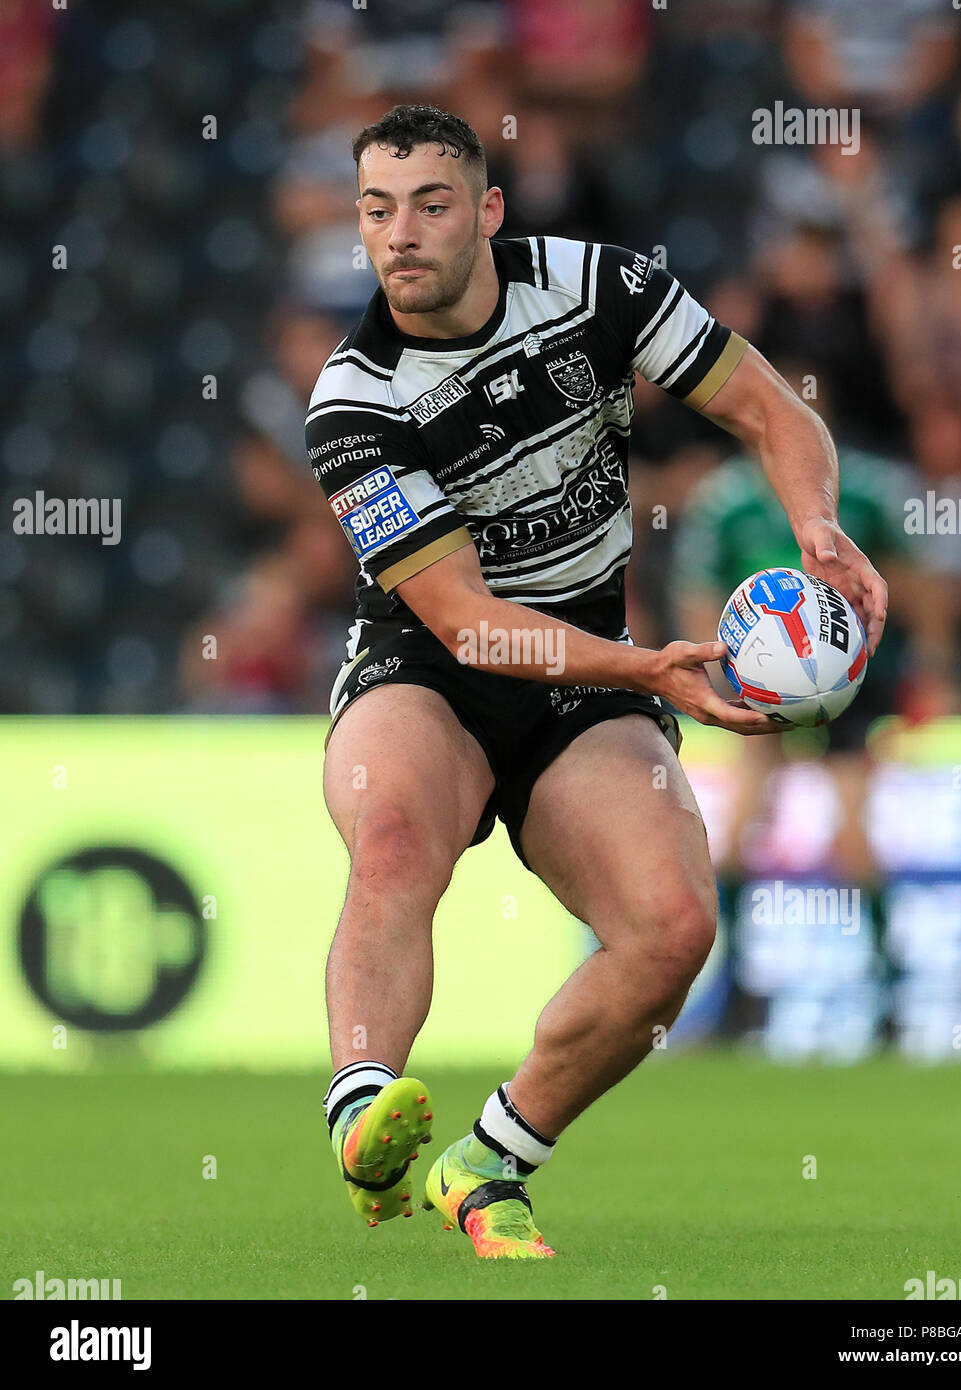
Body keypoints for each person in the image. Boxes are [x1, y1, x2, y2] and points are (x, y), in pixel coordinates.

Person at [306, 105, 887, 1259]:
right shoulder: (356, 402)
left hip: (587, 667)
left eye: (430, 204)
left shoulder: (598, 287)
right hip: (428, 667)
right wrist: (652, 663)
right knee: (394, 839)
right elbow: (470, 626)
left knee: (672, 927)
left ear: (489, 211)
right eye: (378, 210)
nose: (401, 235)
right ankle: (364, 1109)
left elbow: (767, 406)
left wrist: (814, 522)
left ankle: (491, 1163)